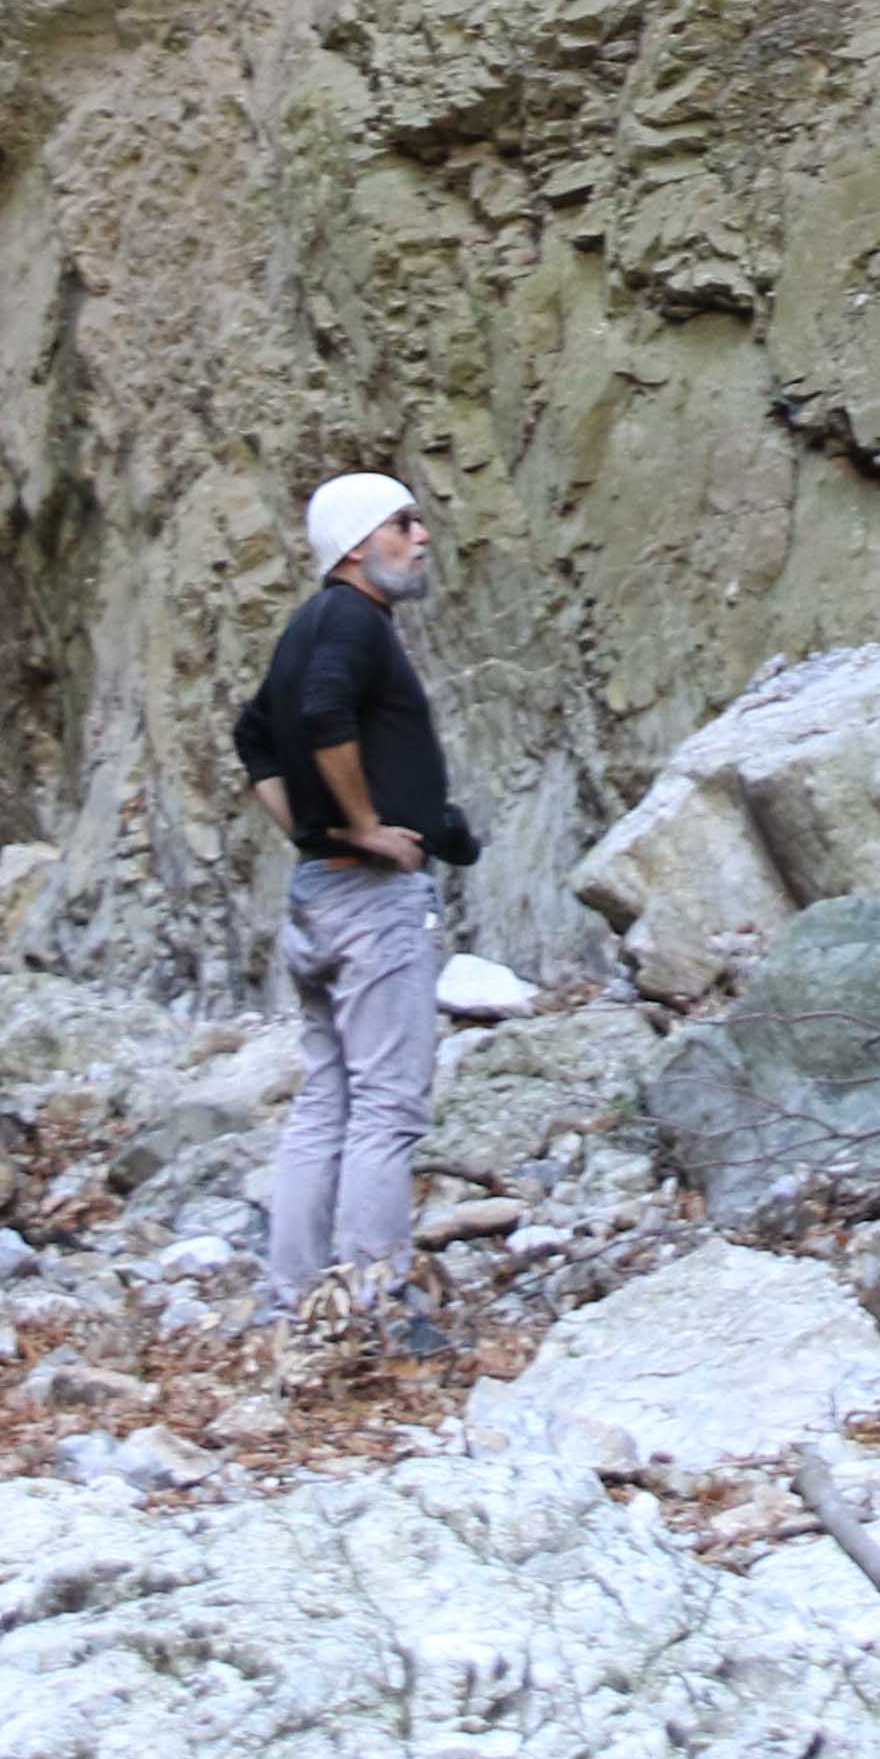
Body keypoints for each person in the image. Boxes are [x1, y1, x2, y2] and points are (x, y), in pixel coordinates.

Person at [234, 472, 481, 1327]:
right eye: (402, 523)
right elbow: (323, 711)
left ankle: (297, 1304)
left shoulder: (309, 624)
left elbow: (254, 735)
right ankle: (372, 1312)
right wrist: (365, 828)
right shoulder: (352, 621)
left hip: (318, 891)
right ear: (353, 544)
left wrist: (311, 833)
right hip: (370, 900)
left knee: (327, 1099)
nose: (421, 537)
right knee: (387, 1105)